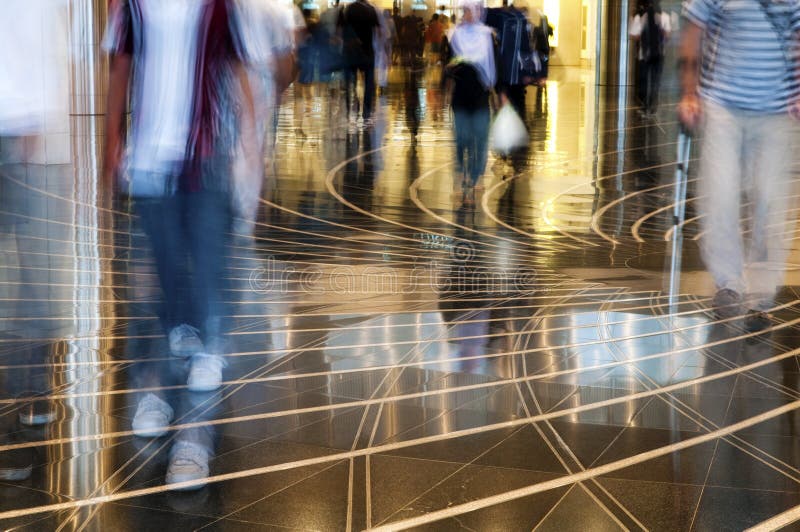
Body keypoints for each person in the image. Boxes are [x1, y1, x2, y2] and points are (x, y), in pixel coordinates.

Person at [103, 0, 265, 488]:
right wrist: (111, 136)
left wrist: (252, 138)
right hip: (150, 161)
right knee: (163, 284)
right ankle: (154, 389)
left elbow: (237, 65)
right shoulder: (131, 5)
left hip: (207, 156)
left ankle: (195, 442)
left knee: (211, 280)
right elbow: (122, 64)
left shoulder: (220, 4)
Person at [677, 0, 800, 330]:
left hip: (775, 112)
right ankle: (728, 283)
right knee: (721, 195)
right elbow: (694, 33)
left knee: (769, 204)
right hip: (722, 107)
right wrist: (690, 92)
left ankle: (761, 292)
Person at [444, 0, 496, 207]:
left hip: (481, 97)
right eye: (465, 10)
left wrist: (500, 93)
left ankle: (474, 179)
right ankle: (462, 175)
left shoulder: (487, 37)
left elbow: (495, 66)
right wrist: (450, 71)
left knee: (480, 141)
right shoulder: (454, 36)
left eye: (472, 10)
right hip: (461, 96)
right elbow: (447, 64)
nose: (468, 14)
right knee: (462, 140)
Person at [485, 0, 536, 119]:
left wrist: (529, 73)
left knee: (515, 110)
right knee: (511, 111)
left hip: (513, 79)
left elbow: (526, 49)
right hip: (507, 78)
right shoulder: (505, 18)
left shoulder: (522, 24)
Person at [340, 0, 381, 123]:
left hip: (351, 51)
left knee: (350, 81)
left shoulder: (349, 9)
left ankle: (351, 106)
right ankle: (367, 111)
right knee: (368, 82)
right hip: (367, 51)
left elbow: (342, 30)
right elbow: (378, 31)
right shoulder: (371, 10)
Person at [630, 0, 670, 116]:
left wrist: (644, 37)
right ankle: (653, 107)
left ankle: (645, 106)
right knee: (655, 82)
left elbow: (635, 36)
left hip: (644, 55)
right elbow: (667, 35)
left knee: (643, 81)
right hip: (659, 54)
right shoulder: (664, 16)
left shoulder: (641, 16)